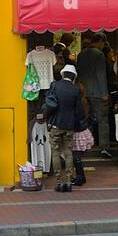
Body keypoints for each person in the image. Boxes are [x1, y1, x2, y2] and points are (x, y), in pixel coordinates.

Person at [44, 64, 83, 193]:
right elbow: (78, 111)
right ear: (74, 77)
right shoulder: (76, 89)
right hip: (69, 125)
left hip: (55, 124)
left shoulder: (54, 85)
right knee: (68, 152)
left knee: (55, 152)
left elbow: (49, 103)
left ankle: (59, 182)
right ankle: (68, 182)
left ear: (62, 74)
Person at [76, 34, 112, 158]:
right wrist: (104, 93)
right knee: (103, 120)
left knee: (86, 119)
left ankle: (87, 145)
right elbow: (101, 74)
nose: (104, 46)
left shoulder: (81, 54)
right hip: (98, 93)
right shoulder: (99, 54)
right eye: (104, 43)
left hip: (84, 92)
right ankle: (104, 148)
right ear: (100, 41)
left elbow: (79, 74)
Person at [71, 78, 91, 187]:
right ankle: (80, 176)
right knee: (76, 156)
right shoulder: (84, 101)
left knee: (75, 156)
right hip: (83, 130)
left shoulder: (77, 102)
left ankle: (80, 177)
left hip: (77, 132)